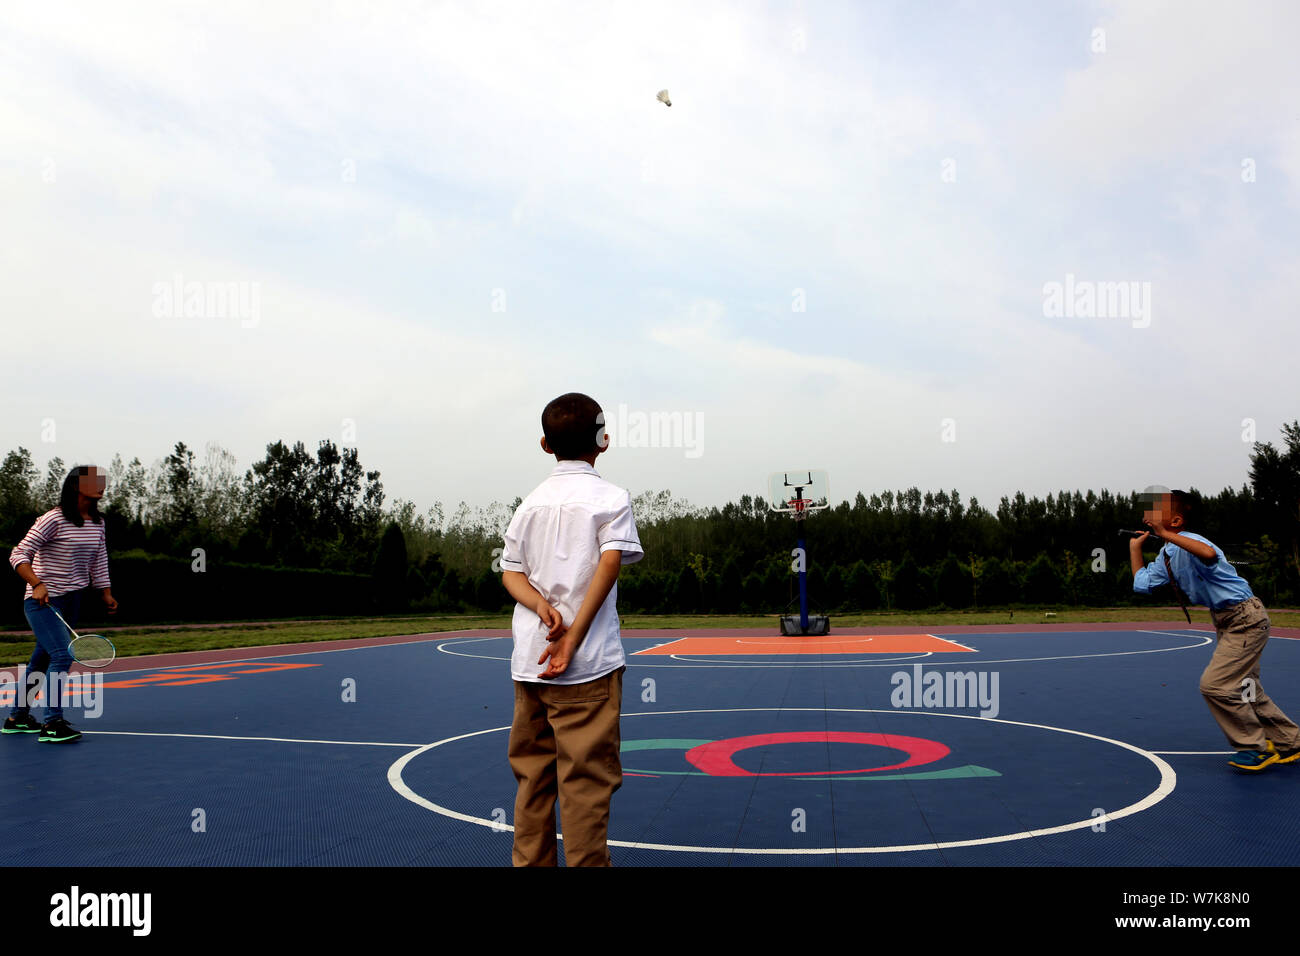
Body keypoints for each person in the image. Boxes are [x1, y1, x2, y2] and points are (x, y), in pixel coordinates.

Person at [499, 393, 644, 865]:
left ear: (545, 445)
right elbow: (610, 562)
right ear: (603, 441)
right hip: (587, 669)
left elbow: (510, 573)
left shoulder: (530, 504)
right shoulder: (610, 498)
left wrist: (541, 607)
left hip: (529, 668)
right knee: (584, 791)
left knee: (533, 784)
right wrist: (576, 635)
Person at [1130, 489, 1299, 771]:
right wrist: (1135, 550)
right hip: (1229, 620)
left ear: (1175, 521)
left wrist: (1167, 535)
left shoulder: (1193, 540)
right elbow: (1143, 584)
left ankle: (1254, 748)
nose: (1149, 513)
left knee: (1216, 685)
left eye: (1157, 510)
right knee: (1248, 688)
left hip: (1246, 617)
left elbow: (1207, 554)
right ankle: (1290, 741)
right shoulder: (1168, 554)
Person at [4, 465, 118, 743]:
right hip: (42, 601)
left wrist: (105, 592)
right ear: (76, 486)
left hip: (73, 600)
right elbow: (18, 554)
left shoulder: (97, 522)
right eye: (94, 480)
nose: (101, 484)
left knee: (41, 659)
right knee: (62, 656)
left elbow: (99, 559)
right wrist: (36, 583)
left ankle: (17, 717)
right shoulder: (52, 519)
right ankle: (52, 723)